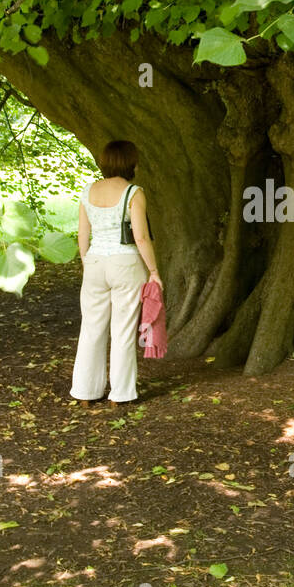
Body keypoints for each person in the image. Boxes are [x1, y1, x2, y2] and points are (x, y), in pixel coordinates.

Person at [70, 140, 162, 406]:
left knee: (91, 328)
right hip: (126, 263)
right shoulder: (134, 192)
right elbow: (141, 237)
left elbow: (83, 233)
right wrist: (153, 271)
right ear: (130, 162)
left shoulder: (88, 191)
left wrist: (86, 262)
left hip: (95, 262)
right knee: (122, 330)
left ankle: (85, 392)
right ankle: (120, 395)